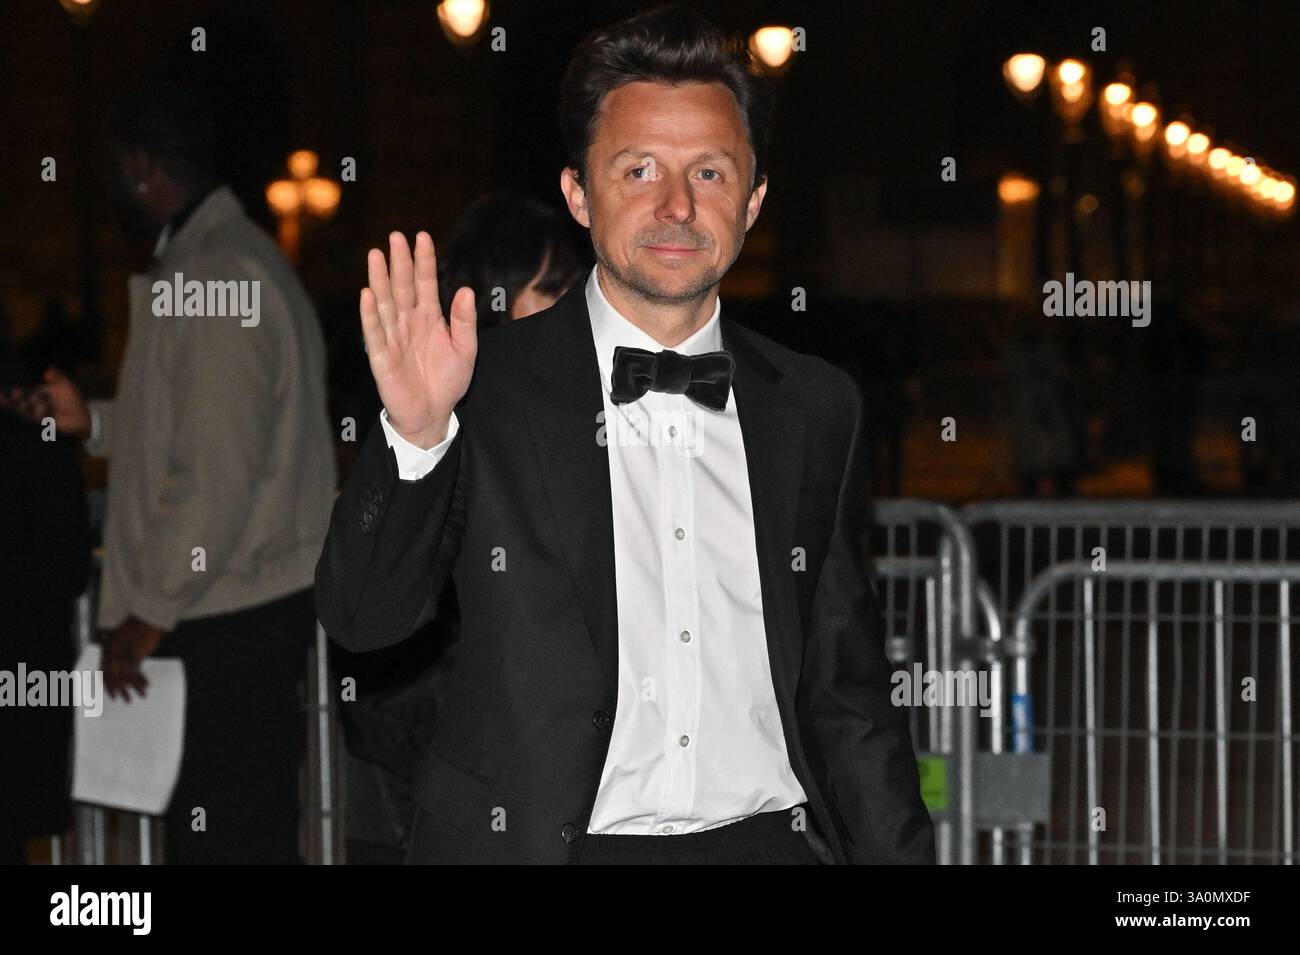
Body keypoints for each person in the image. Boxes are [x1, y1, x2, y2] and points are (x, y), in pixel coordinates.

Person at [316, 4, 935, 865]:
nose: (676, 204)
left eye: (711, 174)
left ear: (753, 201)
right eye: (638, 169)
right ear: (577, 192)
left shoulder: (815, 406)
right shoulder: (481, 389)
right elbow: (364, 621)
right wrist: (417, 437)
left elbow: (848, 693)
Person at [25, 85, 337, 863]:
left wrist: (148, 612)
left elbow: (213, 470)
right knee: (239, 833)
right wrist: (92, 421)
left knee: (229, 840)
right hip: (238, 606)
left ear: (142, 169)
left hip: (225, 617)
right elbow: (202, 428)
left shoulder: (214, 275)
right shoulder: (230, 261)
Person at [338, 192, 586, 863]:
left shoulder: (581, 414)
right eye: (553, 289)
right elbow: (359, 607)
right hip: (428, 776)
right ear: (490, 296)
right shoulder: (440, 412)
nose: (575, 308)